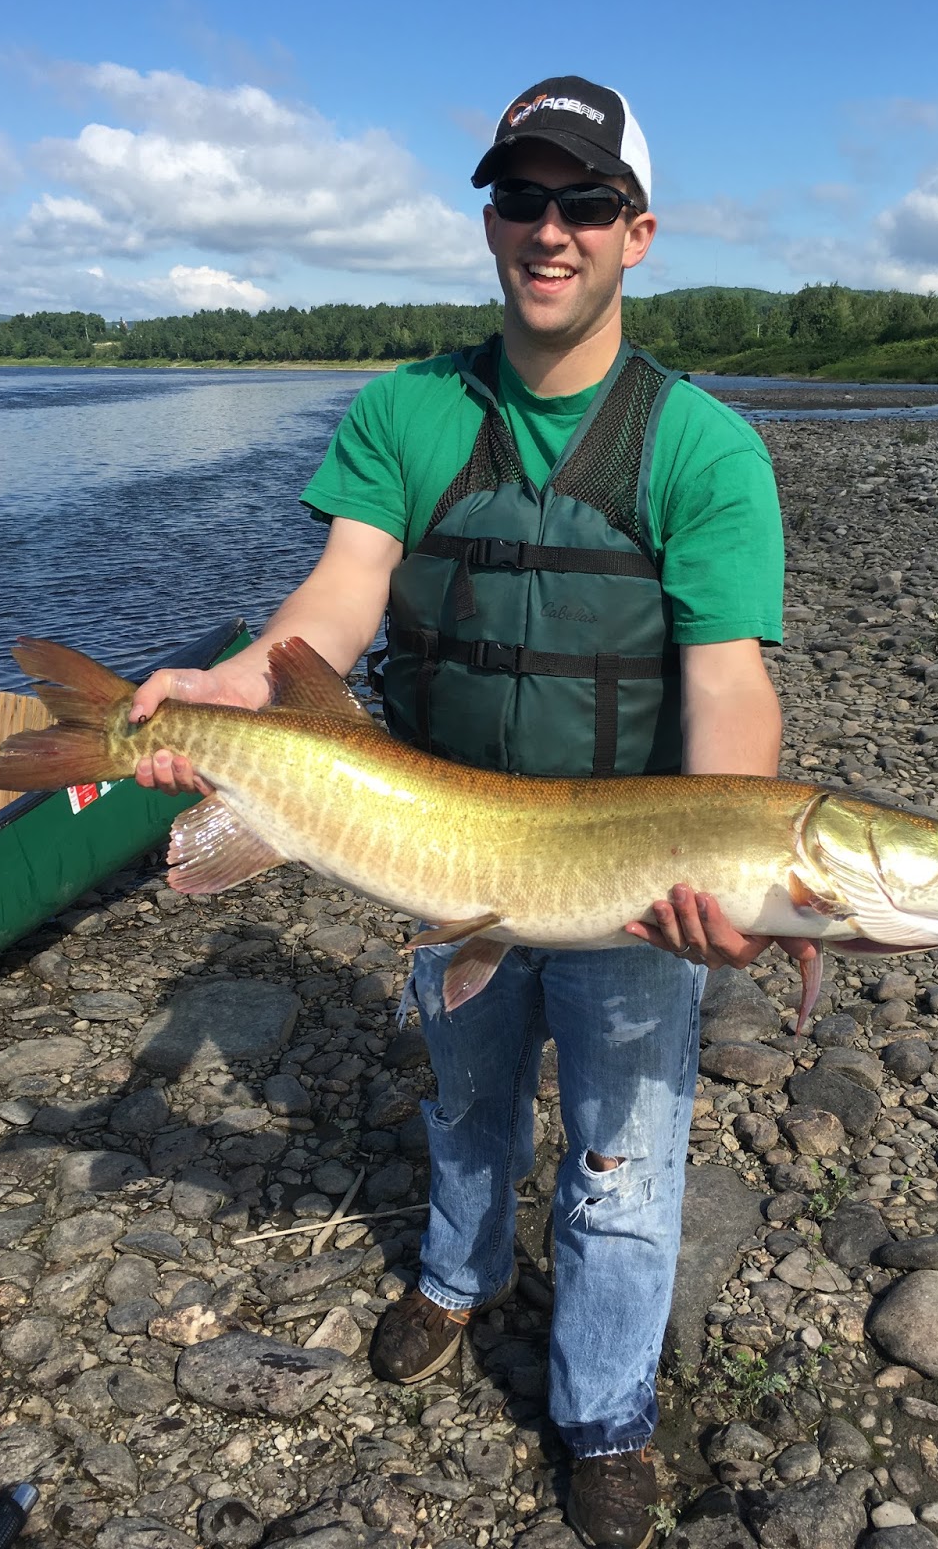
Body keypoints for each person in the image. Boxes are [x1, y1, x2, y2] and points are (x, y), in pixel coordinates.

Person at [132, 75, 808, 1549]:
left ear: (638, 232)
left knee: (625, 1161)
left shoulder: (704, 450)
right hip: (434, 844)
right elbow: (338, 603)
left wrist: (733, 858)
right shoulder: (407, 411)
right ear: (493, 222)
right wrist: (228, 692)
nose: (547, 232)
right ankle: (456, 1273)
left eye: (579, 205)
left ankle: (606, 1416)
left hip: (631, 875)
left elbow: (730, 689)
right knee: (466, 1097)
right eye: (520, 200)